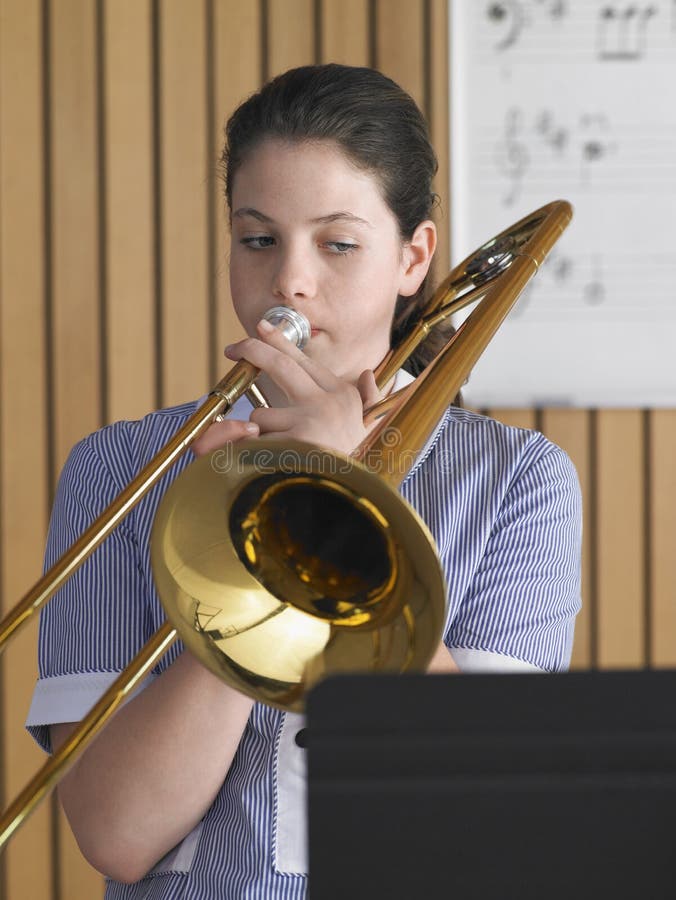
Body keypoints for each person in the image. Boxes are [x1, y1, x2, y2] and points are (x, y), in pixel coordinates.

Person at [26, 64, 582, 898]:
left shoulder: (517, 481)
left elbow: (482, 808)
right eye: (258, 239)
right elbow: (117, 833)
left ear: (412, 258)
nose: (288, 281)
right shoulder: (119, 468)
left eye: (338, 243)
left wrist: (343, 512)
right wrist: (256, 541)